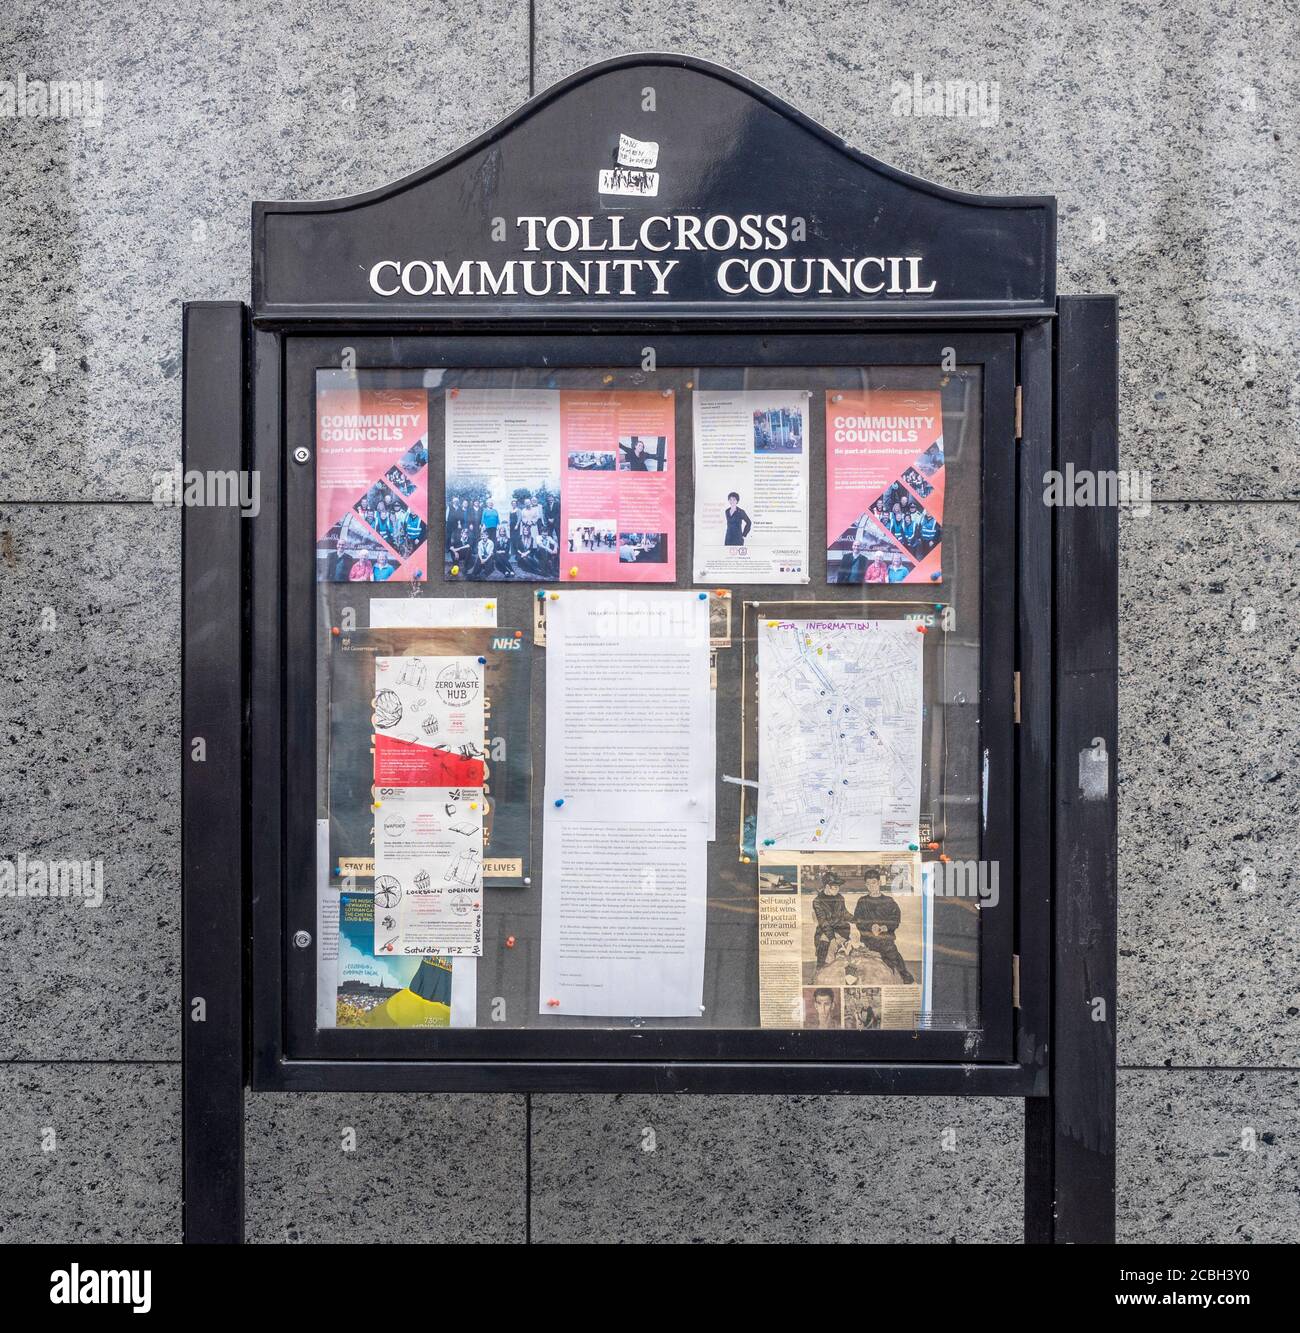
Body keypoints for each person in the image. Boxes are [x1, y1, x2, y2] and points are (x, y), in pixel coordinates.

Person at [852, 875, 915, 984]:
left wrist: (886, 927)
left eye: (874, 882)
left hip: (885, 937)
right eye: (868, 884)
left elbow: (895, 919)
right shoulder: (862, 901)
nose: (871, 886)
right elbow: (858, 920)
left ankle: (904, 973)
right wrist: (870, 927)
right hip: (869, 937)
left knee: (891, 953)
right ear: (866, 885)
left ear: (879, 882)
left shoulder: (888, 900)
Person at [812, 873, 852, 968]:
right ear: (827, 886)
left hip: (841, 930)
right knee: (824, 943)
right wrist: (832, 938)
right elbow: (823, 922)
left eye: (838, 887)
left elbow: (845, 913)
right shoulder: (817, 901)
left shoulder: (840, 898)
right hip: (825, 931)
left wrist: (857, 919)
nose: (837, 890)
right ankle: (820, 969)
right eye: (835, 887)